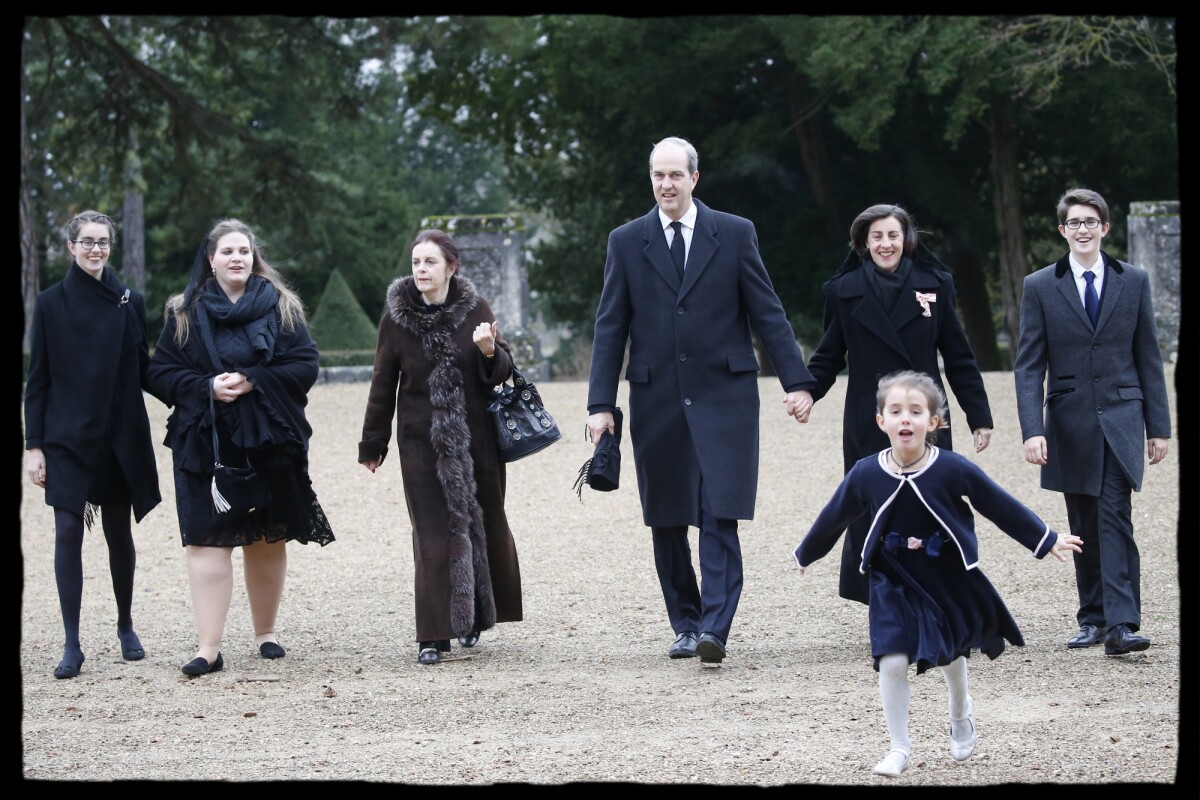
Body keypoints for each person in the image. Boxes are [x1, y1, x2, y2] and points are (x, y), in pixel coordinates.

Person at [587, 136, 815, 665]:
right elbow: (610, 327)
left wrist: (797, 382)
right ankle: (686, 625)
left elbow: (767, 312)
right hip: (656, 399)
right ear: (651, 179)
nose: (666, 184)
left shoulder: (734, 233)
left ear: (694, 178)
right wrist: (600, 405)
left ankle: (715, 626)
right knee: (666, 518)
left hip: (725, 396)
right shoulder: (626, 241)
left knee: (719, 512)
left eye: (675, 175)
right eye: (658, 175)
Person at [794, 370, 1082, 778]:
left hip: (943, 574)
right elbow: (835, 515)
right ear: (881, 421)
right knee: (891, 658)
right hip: (890, 575)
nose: (905, 419)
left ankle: (960, 710)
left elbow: (998, 504)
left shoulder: (951, 467)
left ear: (933, 422)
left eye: (915, 411)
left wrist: (1045, 537)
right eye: (896, 411)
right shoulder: (866, 472)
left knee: (949, 653)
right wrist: (807, 552)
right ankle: (899, 747)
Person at [147, 218, 335, 676]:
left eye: (244, 251)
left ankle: (265, 633)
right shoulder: (184, 313)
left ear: (254, 258)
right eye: (228, 251)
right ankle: (208, 649)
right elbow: (159, 373)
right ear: (210, 260)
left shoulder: (282, 307)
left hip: (268, 439)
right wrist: (207, 386)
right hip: (204, 442)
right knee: (207, 542)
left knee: (266, 539)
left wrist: (254, 380)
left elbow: (305, 364)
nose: (237, 258)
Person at [791, 203, 993, 606]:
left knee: (931, 501)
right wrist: (807, 391)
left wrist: (979, 416)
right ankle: (881, 599)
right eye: (877, 237)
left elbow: (958, 356)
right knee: (872, 505)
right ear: (864, 243)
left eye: (893, 235)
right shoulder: (842, 291)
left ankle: (935, 596)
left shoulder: (937, 284)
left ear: (907, 239)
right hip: (871, 419)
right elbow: (829, 355)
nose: (886, 244)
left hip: (924, 417)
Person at [1013, 187, 1171, 656]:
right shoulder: (1040, 286)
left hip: (1122, 416)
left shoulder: (1133, 281)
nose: (1083, 230)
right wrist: (1032, 429)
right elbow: (1028, 365)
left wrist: (1159, 428)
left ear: (1105, 227)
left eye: (1091, 221)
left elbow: (1148, 356)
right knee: (1083, 518)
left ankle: (1122, 624)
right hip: (1070, 421)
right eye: (1074, 223)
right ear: (1062, 230)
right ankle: (1094, 618)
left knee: (1114, 514)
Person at [358, 229, 523, 665]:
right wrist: (373, 442)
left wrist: (489, 351)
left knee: (480, 525)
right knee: (431, 534)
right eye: (416, 262)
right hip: (421, 442)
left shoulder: (476, 309)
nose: (421, 269)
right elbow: (382, 382)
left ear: (451, 267)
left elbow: (503, 372)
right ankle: (433, 635)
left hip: (477, 442)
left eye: (430, 262)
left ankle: (474, 618)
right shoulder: (396, 319)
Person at [24, 209, 162, 679]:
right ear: (71, 247)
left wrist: (194, 389)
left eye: (103, 241)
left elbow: (143, 370)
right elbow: (38, 382)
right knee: (67, 533)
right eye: (87, 241)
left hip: (118, 436)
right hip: (66, 438)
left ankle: (125, 626)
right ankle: (72, 643)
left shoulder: (130, 301)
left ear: (110, 246)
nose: (96, 249)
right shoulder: (49, 304)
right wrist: (34, 446)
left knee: (118, 532)